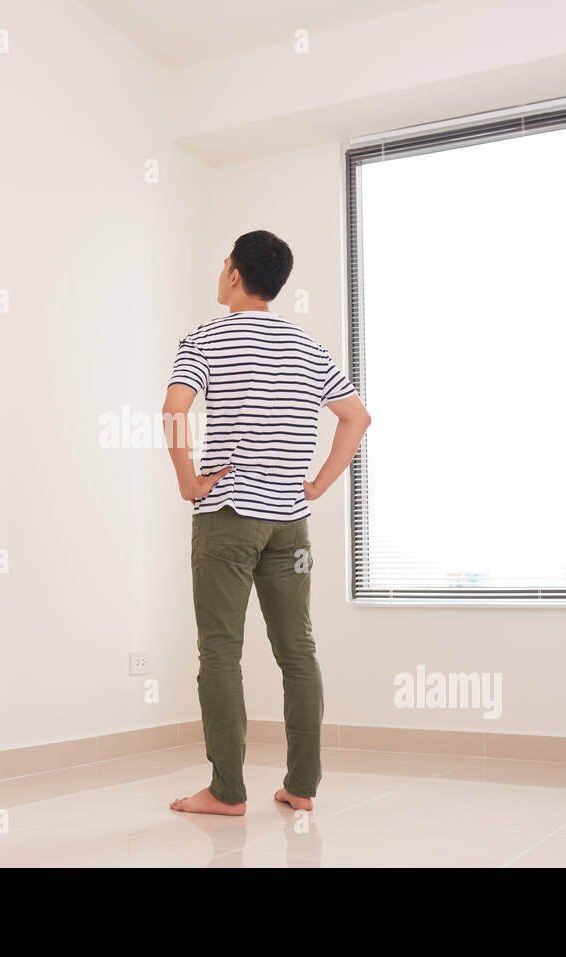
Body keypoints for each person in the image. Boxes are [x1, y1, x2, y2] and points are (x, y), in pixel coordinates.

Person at [162, 230, 371, 815]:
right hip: (290, 524)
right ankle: (301, 787)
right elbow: (356, 418)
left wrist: (187, 479)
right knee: (297, 651)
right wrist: (318, 484)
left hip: (228, 516)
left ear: (233, 273)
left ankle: (227, 792)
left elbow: (175, 408)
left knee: (222, 652)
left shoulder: (204, 337)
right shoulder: (308, 346)